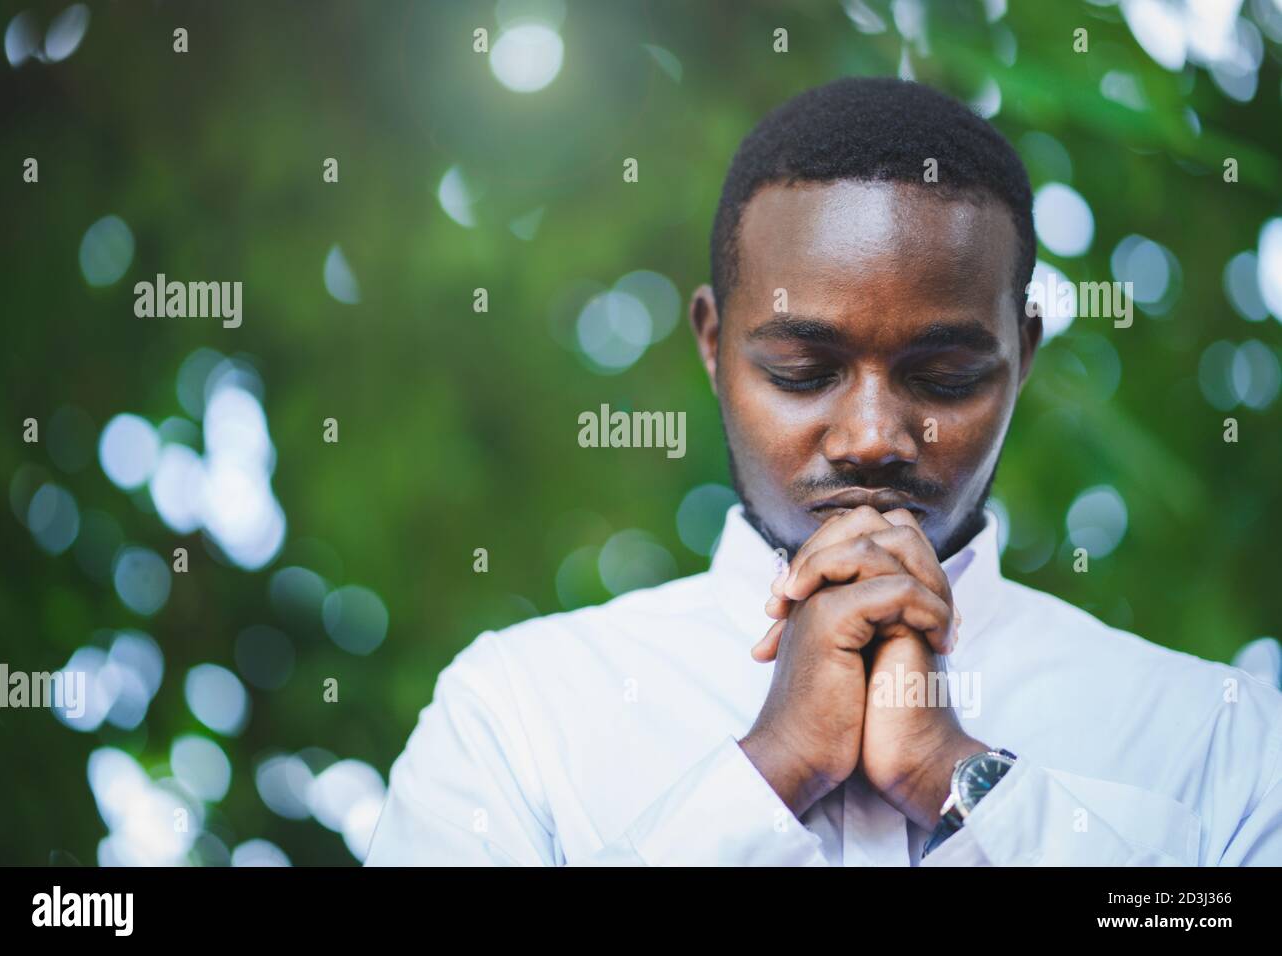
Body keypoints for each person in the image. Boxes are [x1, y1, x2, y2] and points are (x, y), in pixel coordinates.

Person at [365, 77, 1282, 866]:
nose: (874, 437)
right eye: (804, 373)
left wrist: (964, 783)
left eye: (945, 377)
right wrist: (768, 770)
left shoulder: (1223, 738)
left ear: (1024, 355)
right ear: (714, 344)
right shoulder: (516, 715)